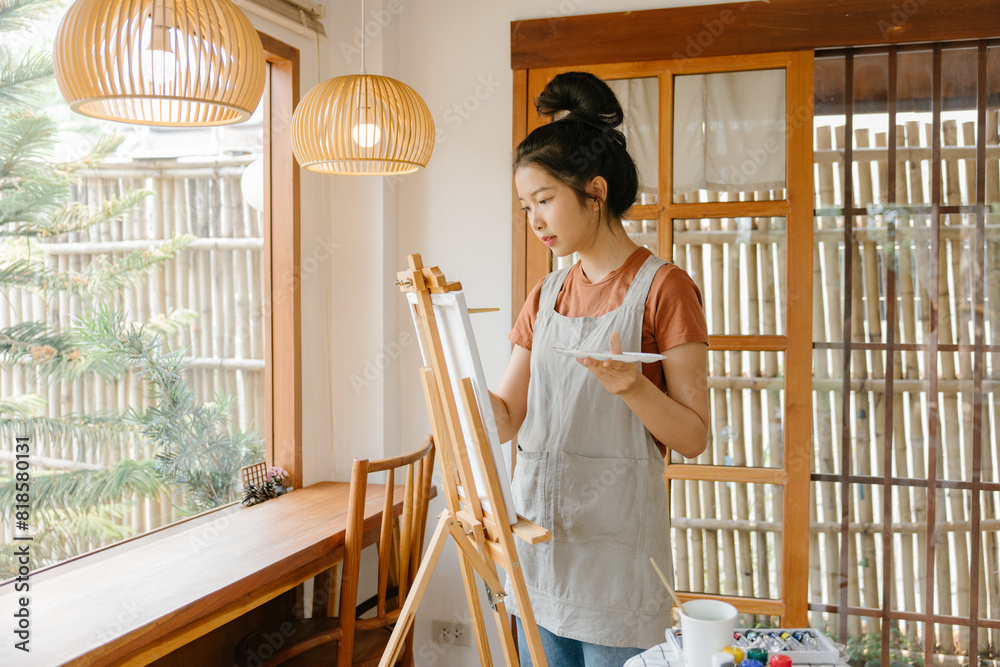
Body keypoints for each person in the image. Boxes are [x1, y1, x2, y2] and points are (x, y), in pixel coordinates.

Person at [489, 71, 710, 667]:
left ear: (594, 191)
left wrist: (632, 386)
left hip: (616, 560)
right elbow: (508, 417)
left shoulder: (665, 289)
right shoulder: (546, 295)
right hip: (538, 544)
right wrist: (458, 390)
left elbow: (692, 438)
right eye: (525, 205)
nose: (535, 220)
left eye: (545, 200)